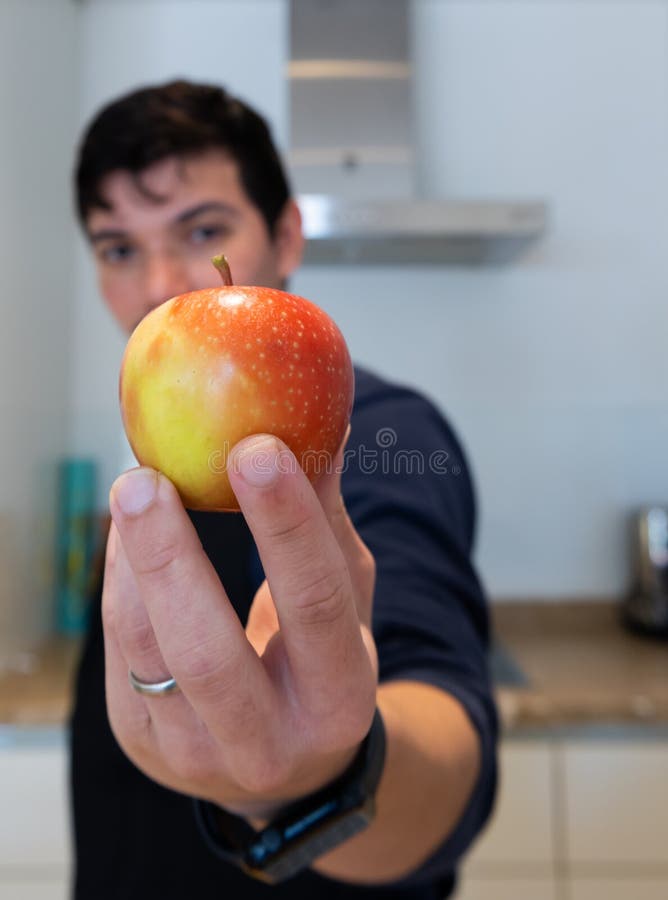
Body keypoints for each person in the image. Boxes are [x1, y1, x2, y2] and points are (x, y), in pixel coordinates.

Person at [70, 79, 498, 899]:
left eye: (202, 230)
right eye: (117, 247)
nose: (160, 283)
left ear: (287, 233)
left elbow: (451, 752)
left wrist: (317, 779)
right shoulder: (159, 455)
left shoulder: (375, 436)